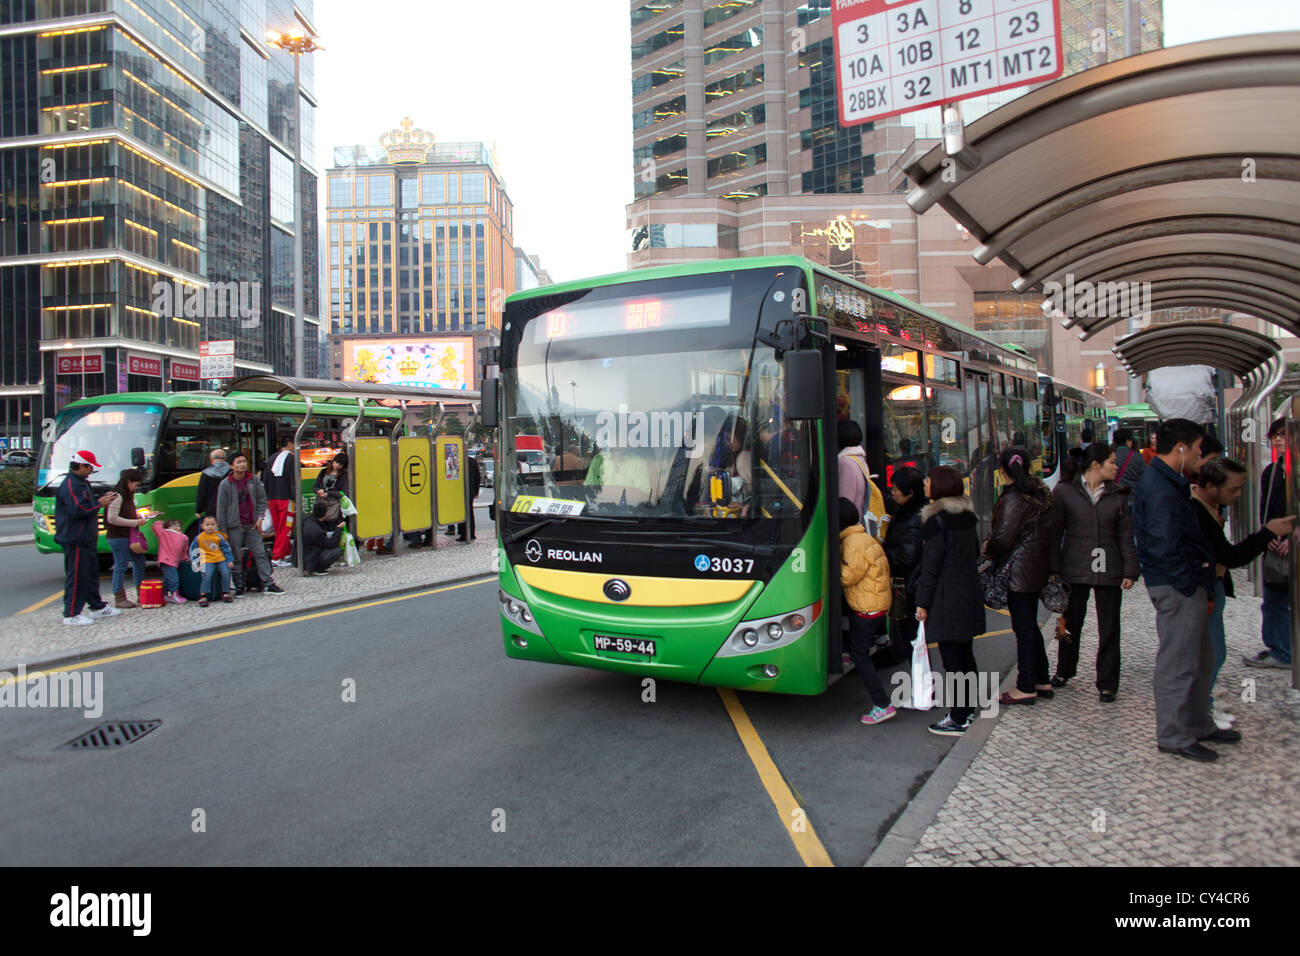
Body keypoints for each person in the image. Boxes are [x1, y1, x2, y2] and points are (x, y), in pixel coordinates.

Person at [1132, 418, 1232, 762]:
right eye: (1198, 450)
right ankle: (1174, 734)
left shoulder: (1168, 480)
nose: (1200, 457)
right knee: (1178, 663)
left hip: (1185, 582)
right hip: (1177, 586)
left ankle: (1198, 723)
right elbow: (1163, 545)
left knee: (1200, 658)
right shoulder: (1159, 486)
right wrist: (1188, 583)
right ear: (1181, 448)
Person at [1192, 458, 1296, 727]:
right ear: (1212, 485)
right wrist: (1266, 534)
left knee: (1215, 651)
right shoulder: (1196, 512)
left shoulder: (1207, 507)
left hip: (1213, 586)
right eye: (1234, 489)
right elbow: (1230, 555)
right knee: (1212, 653)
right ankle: (1202, 711)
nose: (1238, 495)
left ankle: (1205, 706)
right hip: (1203, 589)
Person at [1048, 442, 1138, 701]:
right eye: (1111, 462)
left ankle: (1107, 681)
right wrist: (1053, 568)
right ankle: (1065, 670)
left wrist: (1130, 569)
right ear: (1095, 465)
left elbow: (1125, 535)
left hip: (1109, 568)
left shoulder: (1118, 494)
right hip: (1074, 568)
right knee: (1071, 624)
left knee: (1109, 627)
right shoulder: (1065, 492)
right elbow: (1055, 533)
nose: (1116, 466)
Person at [913, 465, 986, 736]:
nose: (925, 483)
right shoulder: (967, 516)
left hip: (946, 597)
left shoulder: (936, 521)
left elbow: (931, 567)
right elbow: (975, 553)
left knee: (952, 660)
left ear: (939, 486)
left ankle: (957, 718)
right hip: (968, 593)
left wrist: (922, 603)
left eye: (929, 480)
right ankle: (966, 710)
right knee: (965, 655)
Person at [985, 447, 1055, 704]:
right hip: (1035, 568)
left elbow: (1002, 539)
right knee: (1030, 627)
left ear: (1003, 471)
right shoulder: (1038, 492)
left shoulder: (1015, 498)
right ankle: (1042, 679)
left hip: (1018, 571)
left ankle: (1026, 686)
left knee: (1023, 628)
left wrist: (987, 548)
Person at [839, 497, 895, 725]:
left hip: (867, 607)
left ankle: (882, 704)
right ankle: (849, 651)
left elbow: (848, 576)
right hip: (873, 603)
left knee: (861, 656)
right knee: (858, 647)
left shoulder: (852, 543)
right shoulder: (861, 537)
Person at [1246, 418, 1293, 670]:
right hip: (1275, 545)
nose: (1277, 439)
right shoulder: (1271, 471)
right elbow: (1265, 508)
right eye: (1274, 435)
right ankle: (1280, 648)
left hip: (1294, 541)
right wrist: (1269, 536)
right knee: (1274, 599)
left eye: (1283, 435)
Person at [55, 450, 121, 626]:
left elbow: (85, 505)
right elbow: (78, 510)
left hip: (85, 537)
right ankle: (71, 614)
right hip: (75, 538)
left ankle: (97, 607)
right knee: (77, 576)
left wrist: (99, 499)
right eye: (90, 467)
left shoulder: (80, 483)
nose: (92, 470)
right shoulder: (71, 485)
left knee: (91, 574)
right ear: (82, 466)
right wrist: (100, 503)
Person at [216, 452, 284, 595]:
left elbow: (261, 499)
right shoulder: (225, 484)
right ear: (231, 465)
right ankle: (239, 585)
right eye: (238, 462)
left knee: (260, 553)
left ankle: (268, 582)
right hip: (234, 525)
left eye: (244, 461)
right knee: (235, 556)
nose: (242, 464)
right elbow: (220, 510)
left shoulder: (252, 480)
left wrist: (260, 517)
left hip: (252, 524)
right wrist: (222, 531)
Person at [883, 466, 926, 653]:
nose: (893, 492)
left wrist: (882, 554)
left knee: (911, 636)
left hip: (908, 585)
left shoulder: (915, 516)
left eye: (895, 489)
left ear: (910, 492)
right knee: (904, 631)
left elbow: (907, 553)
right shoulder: (905, 510)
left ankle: (921, 680)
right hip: (902, 584)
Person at [104, 468, 147, 609]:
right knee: (121, 565)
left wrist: (140, 517)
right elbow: (112, 518)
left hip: (127, 535)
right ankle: (119, 597)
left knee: (139, 562)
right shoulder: (118, 496)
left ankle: (142, 593)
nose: (136, 488)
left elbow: (125, 514)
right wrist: (135, 522)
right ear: (128, 482)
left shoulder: (126, 495)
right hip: (118, 536)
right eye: (135, 485)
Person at [837, 419, 886, 537]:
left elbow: (845, 503)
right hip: (859, 526)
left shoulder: (845, 463)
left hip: (851, 529)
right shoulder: (858, 459)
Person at [263, 436, 297, 568]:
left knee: (279, 528)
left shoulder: (271, 458)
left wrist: (266, 497)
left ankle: (286, 552)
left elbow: (265, 479)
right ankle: (277, 557)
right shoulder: (291, 459)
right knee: (286, 528)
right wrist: (295, 499)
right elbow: (293, 482)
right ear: (289, 444)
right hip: (286, 499)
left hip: (272, 499)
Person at [191, 514, 235, 606]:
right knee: (207, 574)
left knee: (226, 572)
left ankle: (226, 592)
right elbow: (194, 550)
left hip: (220, 558)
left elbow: (226, 549)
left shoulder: (219, 536)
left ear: (216, 525)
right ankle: (203, 595)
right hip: (207, 560)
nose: (210, 527)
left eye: (212, 524)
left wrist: (229, 560)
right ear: (202, 526)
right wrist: (196, 563)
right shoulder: (199, 538)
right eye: (207, 525)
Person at [301, 499, 343, 575]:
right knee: (337, 551)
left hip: (304, 554)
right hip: (310, 558)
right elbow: (332, 544)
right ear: (325, 513)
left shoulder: (307, 519)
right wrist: (338, 530)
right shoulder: (316, 531)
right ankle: (318, 568)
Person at [152, 518, 190, 604]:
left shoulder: (184, 537)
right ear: (167, 527)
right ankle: (174, 594)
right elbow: (156, 526)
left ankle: (164, 594)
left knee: (167, 578)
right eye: (173, 525)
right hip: (166, 560)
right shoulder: (164, 534)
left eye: (178, 525)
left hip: (174, 561)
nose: (176, 527)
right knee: (174, 579)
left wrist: (185, 558)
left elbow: (184, 550)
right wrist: (161, 521)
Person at [195, 448, 229, 521]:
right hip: (229, 508)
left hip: (212, 508)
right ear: (225, 458)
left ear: (211, 460)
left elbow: (201, 494)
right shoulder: (232, 472)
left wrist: (199, 510)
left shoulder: (206, 473)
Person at [457, 452, 481, 542]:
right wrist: (476, 491)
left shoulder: (458, 461)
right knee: (470, 512)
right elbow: (477, 477)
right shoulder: (471, 461)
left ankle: (463, 534)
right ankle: (471, 533)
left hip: (460, 492)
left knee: (462, 513)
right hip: (470, 491)